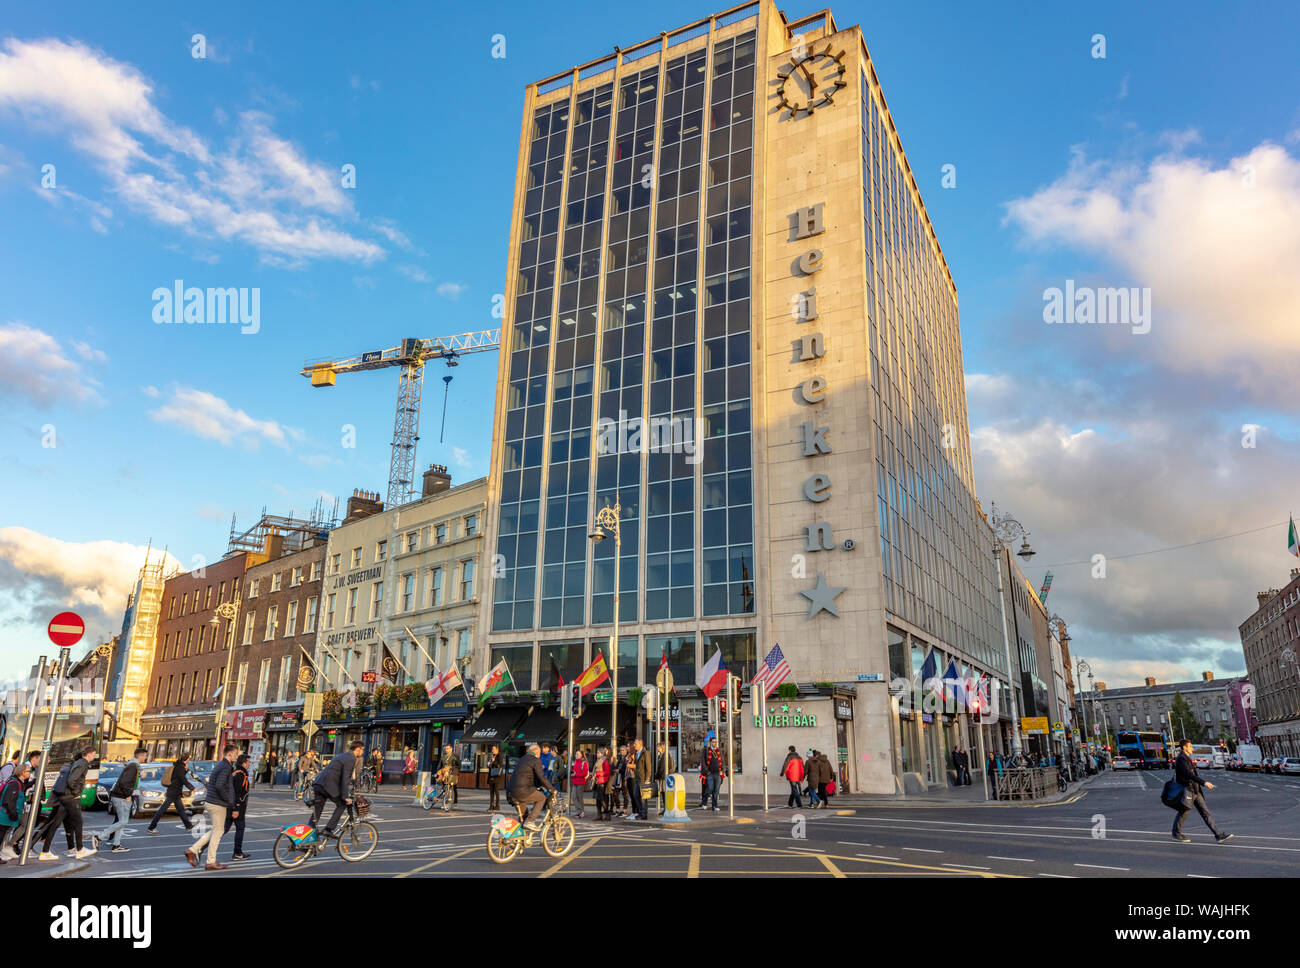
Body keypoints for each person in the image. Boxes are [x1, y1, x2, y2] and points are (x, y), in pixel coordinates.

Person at [39, 746, 97, 861]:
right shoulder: (83, 763)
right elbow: (72, 780)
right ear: (89, 754)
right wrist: (76, 793)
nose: (94, 756)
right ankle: (80, 849)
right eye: (94, 754)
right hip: (71, 797)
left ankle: (45, 851)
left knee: (55, 824)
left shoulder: (77, 762)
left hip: (64, 797)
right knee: (78, 822)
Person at [187, 744, 238, 871]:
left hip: (212, 801)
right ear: (230, 754)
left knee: (216, 830)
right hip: (217, 803)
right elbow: (220, 786)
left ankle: (192, 850)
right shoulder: (225, 767)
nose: (237, 756)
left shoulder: (222, 765)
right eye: (236, 754)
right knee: (218, 831)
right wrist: (229, 800)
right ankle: (210, 861)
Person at [1172, 739, 1232, 844]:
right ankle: (1176, 834)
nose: (1192, 748)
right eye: (1190, 746)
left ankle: (1218, 835)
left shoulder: (1186, 758)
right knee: (1183, 812)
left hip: (1195, 790)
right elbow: (1188, 774)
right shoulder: (1181, 758)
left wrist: (1200, 785)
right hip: (1188, 790)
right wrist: (1204, 783)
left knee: (1205, 812)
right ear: (1184, 747)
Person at [101, 748, 147, 853]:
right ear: (140, 756)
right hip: (123, 796)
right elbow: (125, 782)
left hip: (124, 795)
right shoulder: (133, 766)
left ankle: (116, 845)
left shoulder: (134, 765)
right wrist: (128, 794)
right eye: (145, 756)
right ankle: (100, 837)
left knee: (121, 821)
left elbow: (131, 778)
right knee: (122, 821)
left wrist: (140, 774)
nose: (145, 758)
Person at [312, 740, 362, 836]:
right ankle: (328, 829)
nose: (362, 752)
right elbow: (345, 778)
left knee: (317, 811)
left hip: (319, 782)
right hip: (328, 785)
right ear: (358, 749)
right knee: (342, 804)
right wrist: (345, 797)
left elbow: (336, 773)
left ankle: (308, 836)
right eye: (362, 749)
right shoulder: (351, 758)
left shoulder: (342, 755)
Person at [507, 742, 555, 830]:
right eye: (539, 753)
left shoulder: (522, 759)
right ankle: (530, 821)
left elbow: (529, 776)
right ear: (537, 752)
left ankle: (520, 836)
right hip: (522, 791)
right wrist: (552, 789)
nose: (540, 755)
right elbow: (541, 777)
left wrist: (538, 785)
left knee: (524, 816)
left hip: (511, 792)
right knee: (542, 798)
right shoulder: (536, 760)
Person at [147, 752, 195, 834]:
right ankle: (151, 828)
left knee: (181, 810)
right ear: (187, 759)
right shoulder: (180, 767)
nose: (189, 760)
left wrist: (186, 770)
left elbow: (178, 777)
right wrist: (193, 788)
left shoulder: (178, 765)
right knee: (162, 810)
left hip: (174, 792)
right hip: (174, 792)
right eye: (189, 758)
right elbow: (183, 779)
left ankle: (188, 826)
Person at [0, 761, 31, 863]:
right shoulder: (15, 784)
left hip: (6, 813)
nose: (29, 773)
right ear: (22, 772)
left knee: (2, 834)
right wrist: (13, 813)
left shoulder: (17, 782)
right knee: (1, 834)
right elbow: (8, 800)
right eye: (28, 771)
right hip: (5, 814)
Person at [226, 753, 251, 860]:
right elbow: (237, 793)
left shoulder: (235, 773)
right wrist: (236, 808)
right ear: (243, 763)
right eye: (248, 762)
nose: (249, 764)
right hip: (237, 807)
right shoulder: (241, 775)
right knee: (240, 828)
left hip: (230, 806)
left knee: (222, 830)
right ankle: (237, 853)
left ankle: (201, 847)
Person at [627, 738, 651, 821]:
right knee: (636, 795)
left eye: (635, 744)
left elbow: (648, 767)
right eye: (634, 744)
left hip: (643, 779)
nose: (634, 745)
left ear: (640, 744)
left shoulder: (645, 753)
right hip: (637, 778)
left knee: (643, 798)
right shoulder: (637, 753)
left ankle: (644, 814)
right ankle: (640, 812)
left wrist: (647, 778)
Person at [701, 737, 724, 811]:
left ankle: (715, 806)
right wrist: (707, 771)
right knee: (710, 788)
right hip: (710, 773)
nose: (715, 743)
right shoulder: (706, 750)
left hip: (718, 773)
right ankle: (704, 803)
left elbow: (722, 761)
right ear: (710, 742)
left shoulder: (718, 751)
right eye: (714, 742)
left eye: (716, 742)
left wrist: (722, 770)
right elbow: (703, 762)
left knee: (716, 790)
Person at [654, 742, 675, 813]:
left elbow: (662, 768)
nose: (657, 748)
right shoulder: (660, 755)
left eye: (658, 747)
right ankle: (665, 808)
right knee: (663, 793)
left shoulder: (665, 755)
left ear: (662, 748)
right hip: (662, 777)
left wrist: (656, 776)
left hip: (664, 777)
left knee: (664, 793)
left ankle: (667, 808)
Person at [593, 748, 612, 820]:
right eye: (597, 753)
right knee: (598, 799)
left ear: (602, 754)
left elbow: (607, 772)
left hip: (602, 781)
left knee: (601, 799)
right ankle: (599, 815)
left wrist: (597, 774)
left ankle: (607, 814)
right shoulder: (598, 760)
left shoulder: (604, 760)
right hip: (597, 781)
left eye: (599, 753)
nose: (597, 754)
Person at [569, 748, 589, 818]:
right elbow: (574, 770)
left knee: (580, 798)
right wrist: (572, 773)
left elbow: (585, 773)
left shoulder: (584, 762)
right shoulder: (575, 762)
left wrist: (576, 774)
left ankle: (581, 812)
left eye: (577, 754)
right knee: (573, 797)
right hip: (575, 782)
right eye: (575, 754)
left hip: (581, 782)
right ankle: (580, 811)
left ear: (581, 755)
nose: (576, 755)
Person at [486, 745, 504, 811]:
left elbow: (500, 766)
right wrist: (490, 763)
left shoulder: (500, 756)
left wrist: (494, 761)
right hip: (491, 775)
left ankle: (497, 806)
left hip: (496, 776)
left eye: (493, 749)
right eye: (492, 749)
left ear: (497, 749)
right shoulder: (493, 756)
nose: (492, 750)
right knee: (491, 792)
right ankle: (491, 806)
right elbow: (490, 765)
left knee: (496, 791)